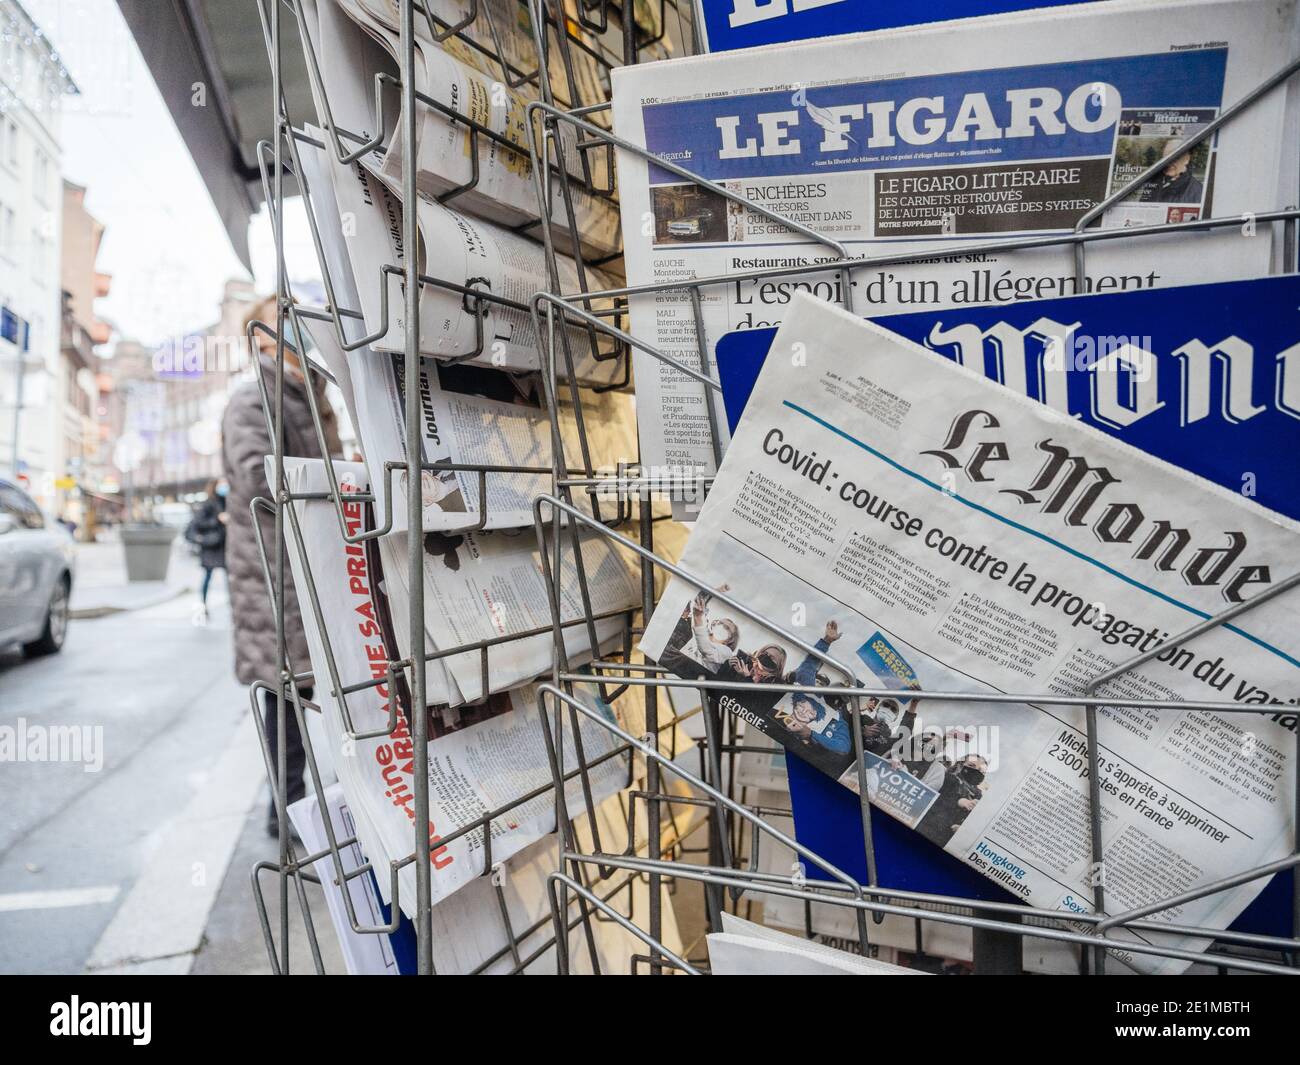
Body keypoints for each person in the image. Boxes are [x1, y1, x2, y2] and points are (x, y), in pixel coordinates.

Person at [221, 296, 342, 837]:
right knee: (288, 696)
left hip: (313, 563)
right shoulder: (253, 399)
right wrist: (333, 477)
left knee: (315, 692)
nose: (300, 326)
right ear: (262, 338)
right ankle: (286, 812)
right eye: (283, 317)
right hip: (276, 575)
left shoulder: (315, 396)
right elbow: (255, 477)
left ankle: (309, 807)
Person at [185, 479, 228, 619]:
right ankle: (203, 605)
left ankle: (233, 604)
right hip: (211, 546)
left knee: (230, 577)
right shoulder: (209, 503)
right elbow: (199, 523)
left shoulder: (228, 501)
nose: (224, 486)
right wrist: (217, 520)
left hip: (224, 546)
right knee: (208, 576)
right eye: (221, 484)